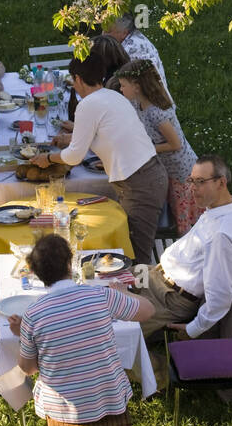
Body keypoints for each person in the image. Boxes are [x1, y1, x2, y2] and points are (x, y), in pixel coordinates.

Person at [8, 233, 156, 426]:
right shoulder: (100, 296)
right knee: (94, 395)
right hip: (106, 395)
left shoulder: (33, 315)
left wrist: (24, 334)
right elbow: (148, 311)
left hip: (62, 405)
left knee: (65, 395)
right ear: (70, 264)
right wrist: (125, 294)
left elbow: (28, 369)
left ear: (34, 273)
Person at [29, 51, 167, 267]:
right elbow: (102, 132)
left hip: (140, 184)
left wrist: (48, 157)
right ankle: (134, 294)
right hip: (147, 176)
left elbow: (74, 157)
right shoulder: (113, 96)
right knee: (129, 248)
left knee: (136, 254)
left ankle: (143, 296)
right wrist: (71, 138)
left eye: (72, 81)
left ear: (77, 79)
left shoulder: (88, 104)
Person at [136, 155, 232, 339]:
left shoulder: (222, 235)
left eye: (200, 182)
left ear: (221, 183)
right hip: (154, 275)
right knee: (103, 280)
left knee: (113, 323)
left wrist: (193, 329)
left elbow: (220, 296)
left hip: (169, 298)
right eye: (192, 181)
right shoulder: (231, 207)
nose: (193, 188)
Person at [113, 59, 199, 235]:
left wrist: (147, 149)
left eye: (123, 86)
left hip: (180, 171)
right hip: (167, 168)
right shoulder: (138, 104)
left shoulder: (155, 112)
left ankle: (190, 245)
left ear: (136, 86)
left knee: (183, 215)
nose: (121, 90)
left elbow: (175, 144)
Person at [104, 13, 169, 93]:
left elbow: (114, 85)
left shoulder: (131, 48)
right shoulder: (136, 38)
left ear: (124, 33)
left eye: (108, 31)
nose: (103, 34)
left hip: (150, 101)